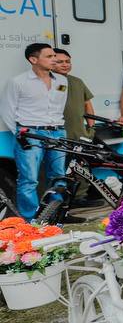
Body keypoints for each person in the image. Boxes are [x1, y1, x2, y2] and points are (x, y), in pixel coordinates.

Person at [0, 43, 68, 219]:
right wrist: (20, 134)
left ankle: (55, 215)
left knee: (59, 176)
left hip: (58, 132)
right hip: (31, 134)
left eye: (55, 56)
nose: (55, 60)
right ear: (33, 59)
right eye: (50, 56)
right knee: (29, 179)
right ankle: (30, 220)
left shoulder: (62, 81)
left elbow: (59, 107)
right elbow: (8, 110)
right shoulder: (18, 82)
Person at [51, 49, 94, 141]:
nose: (65, 64)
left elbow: (87, 104)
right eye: (60, 62)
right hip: (57, 137)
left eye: (68, 61)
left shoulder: (77, 81)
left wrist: (92, 128)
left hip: (80, 136)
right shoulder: (46, 82)